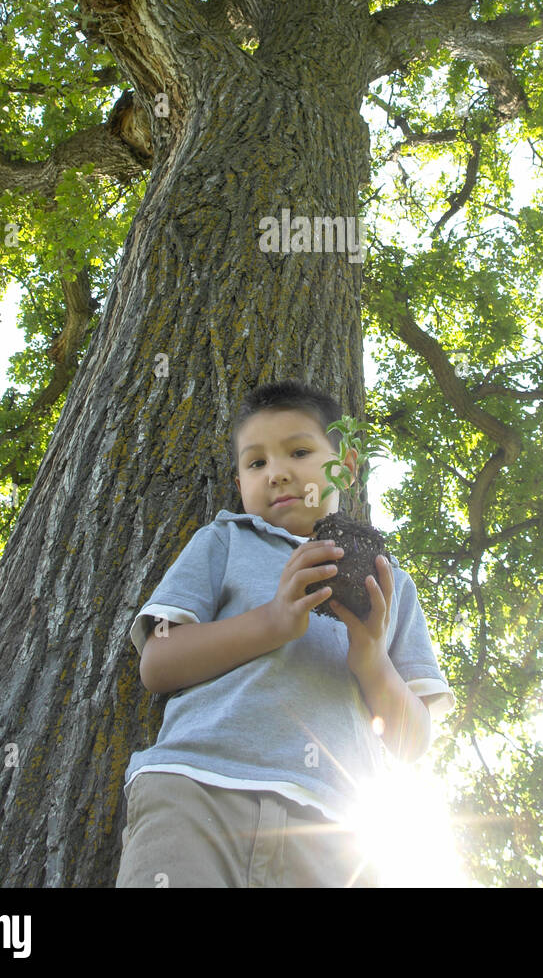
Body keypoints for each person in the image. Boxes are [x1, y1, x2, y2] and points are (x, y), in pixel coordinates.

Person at [115, 378, 454, 888]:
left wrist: (370, 660)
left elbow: (413, 740)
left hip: (337, 827)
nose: (276, 473)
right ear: (239, 482)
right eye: (256, 463)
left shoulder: (391, 585)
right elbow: (157, 663)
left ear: (347, 466)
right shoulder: (225, 540)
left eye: (298, 451)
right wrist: (272, 622)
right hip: (197, 790)